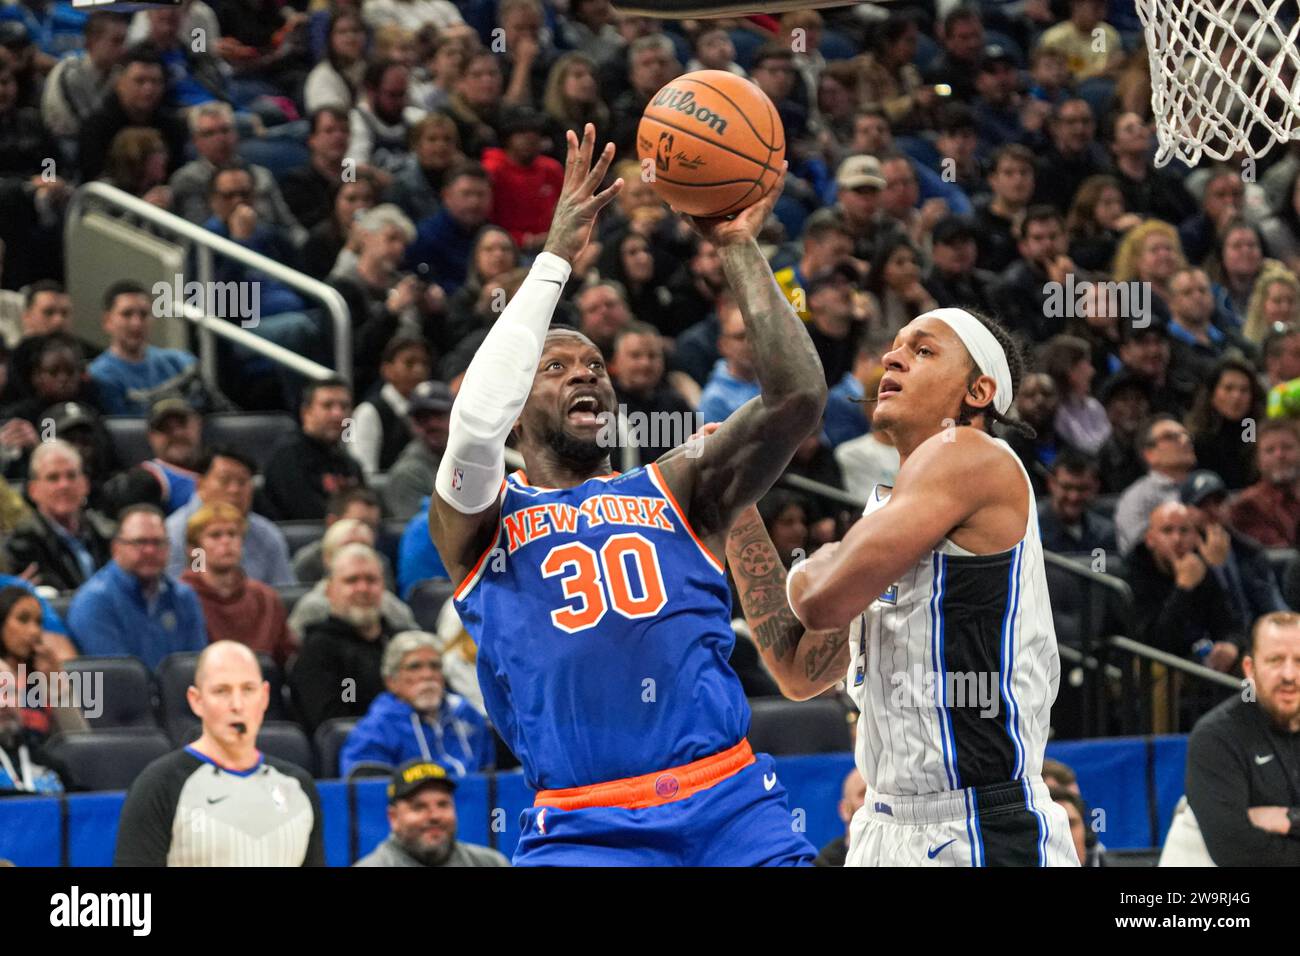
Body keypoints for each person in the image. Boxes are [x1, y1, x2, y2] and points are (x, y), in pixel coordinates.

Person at [433, 127, 824, 866]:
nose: (587, 373)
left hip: (729, 802)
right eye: (556, 366)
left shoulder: (677, 484)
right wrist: (553, 259)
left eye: (594, 364)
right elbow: (475, 421)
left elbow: (797, 397)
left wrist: (738, 243)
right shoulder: (477, 520)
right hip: (585, 826)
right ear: (520, 399)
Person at [732, 305, 1078, 867]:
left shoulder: (971, 454)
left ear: (978, 391)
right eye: (895, 346)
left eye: (923, 350)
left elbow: (820, 600)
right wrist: (736, 506)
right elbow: (798, 673)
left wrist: (819, 566)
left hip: (976, 826)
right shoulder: (890, 511)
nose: (893, 356)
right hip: (884, 823)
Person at [115, 641, 324, 866]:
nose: (237, 704)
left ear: (264, 697)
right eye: (221, 691)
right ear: (197, 700)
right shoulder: (159, 785)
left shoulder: (297, 787)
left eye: (248, 690)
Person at [1185, 611, 1300, 866]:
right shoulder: (1216, 737)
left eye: (1299, 660)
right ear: (1250, 668)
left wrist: (1290, 819)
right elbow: (1235, 852)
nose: (1289, 675)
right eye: (1275, 660)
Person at [68, 504, 207, 669]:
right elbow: (119, 680)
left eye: (157, 542)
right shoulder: (94, 602)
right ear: (116, 548)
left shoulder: (184, 596)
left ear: (168, 547)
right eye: (139, 542)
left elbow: (196, 668)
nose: (149, 550)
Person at [339, 630, 493, 777]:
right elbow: (368, 793)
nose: (428, 675)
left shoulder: (468, 715)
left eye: (435, 666)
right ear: (391, 681)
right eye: (414, 667)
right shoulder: (374, 730)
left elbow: (490, 774)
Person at [290, 543, 395, 732]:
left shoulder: (398, 641)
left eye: (371, 580)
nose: (363, 588)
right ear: (330, 591)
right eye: (351, 580)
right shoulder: (318, 650)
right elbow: (335, 726)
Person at [1125, 500, 1242, 667]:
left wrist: (1230, 646)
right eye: (1167, 530)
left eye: (1184, 531)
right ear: (1150, 539)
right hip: (1152, 666)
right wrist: (1183, 588)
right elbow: (1156, 642)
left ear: (1195, 537)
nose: (1177, 539)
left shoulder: (1200, 567)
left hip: (1199, 662)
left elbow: (1231, 625)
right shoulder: (1133, 575)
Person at [180, 501, 295, 668]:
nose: (226, 541)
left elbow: (286, 658)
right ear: (194, 549)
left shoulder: (265, 598)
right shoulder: (181, 598)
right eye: (215, 535)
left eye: (233, 534)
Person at [165, 447, 295, 586]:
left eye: (242, 482)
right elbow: (172, 595)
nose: (234, 490)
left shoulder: (267, 534)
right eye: (224, 480)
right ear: (200, 484)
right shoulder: (173, 533)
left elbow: (283, 593)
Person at [0, 586, 85, 795]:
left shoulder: (44, 676)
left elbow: (79, 741)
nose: (34, 631)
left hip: (41, 774)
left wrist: (57, 681)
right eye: (23, 620)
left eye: (38, 622)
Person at [354, 759, 508, 867]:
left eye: (443, 804)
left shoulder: (491, 863)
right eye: (419, 807)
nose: (435, 816)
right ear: (393, 817)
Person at [4, 441, 113, 592]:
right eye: (53, 478)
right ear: (33, 490)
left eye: (71, 475)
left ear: (85, 484)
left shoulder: (107, 534)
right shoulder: (21, 546)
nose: (64, 485)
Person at [86, 281, 198, 417]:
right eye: (127, 314)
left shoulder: (180, 362)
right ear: (107, 321)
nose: (136, 323)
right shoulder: (99, 375)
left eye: (144, 314)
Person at [261, 378, 365, 521]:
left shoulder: (350, 464)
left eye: (344, 406)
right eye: (327, 406)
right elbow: (305, 512)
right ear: (306, 412)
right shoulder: (286, 458)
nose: (338, 414)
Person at [348, 334, 431, 477]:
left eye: (424, 364)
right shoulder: (368, 412)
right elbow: (364, 474)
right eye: (409, 363)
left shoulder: (430, 412)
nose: (419, 370)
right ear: (387, 370)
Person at [102, 397, 202, 516]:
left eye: (182, 424)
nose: (177, 434)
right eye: (165, 428)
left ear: (198, 425)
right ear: (151, 437)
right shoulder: (151, 477)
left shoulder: (222, 465)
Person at [1114, 414, 1198, 556]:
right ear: (1149, 454)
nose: (1185, 441)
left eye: (1186, 436)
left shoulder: (1204, 488)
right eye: (1171, 437)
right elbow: (1140, 550)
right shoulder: (1136, 497)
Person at [382, 379, 452, 522]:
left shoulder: (475, 458)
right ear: (413, 424)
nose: (432, 424)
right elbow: (418, 535)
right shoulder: (408, 473)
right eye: (422, 418)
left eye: (439, 415)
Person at [1229, 419, 1300, 547]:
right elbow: (1278, 555)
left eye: (1287, 447)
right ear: (1258, 461)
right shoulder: (1248, 505)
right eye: (1270, 450)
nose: (1279, 455)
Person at [1038, 451, 1117, 555]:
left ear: (1095, 487)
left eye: (1082, 489)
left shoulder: (1105, 534)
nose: (1074, 497)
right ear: (1051, 483)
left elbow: (1104, 569)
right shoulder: (1030, 532)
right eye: (1067, 487)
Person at [814, 768, 867, 867]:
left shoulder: (898, 853)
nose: (872, 800)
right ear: (845, 810)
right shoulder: (826, 862)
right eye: (864, 793)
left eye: (877, 794)